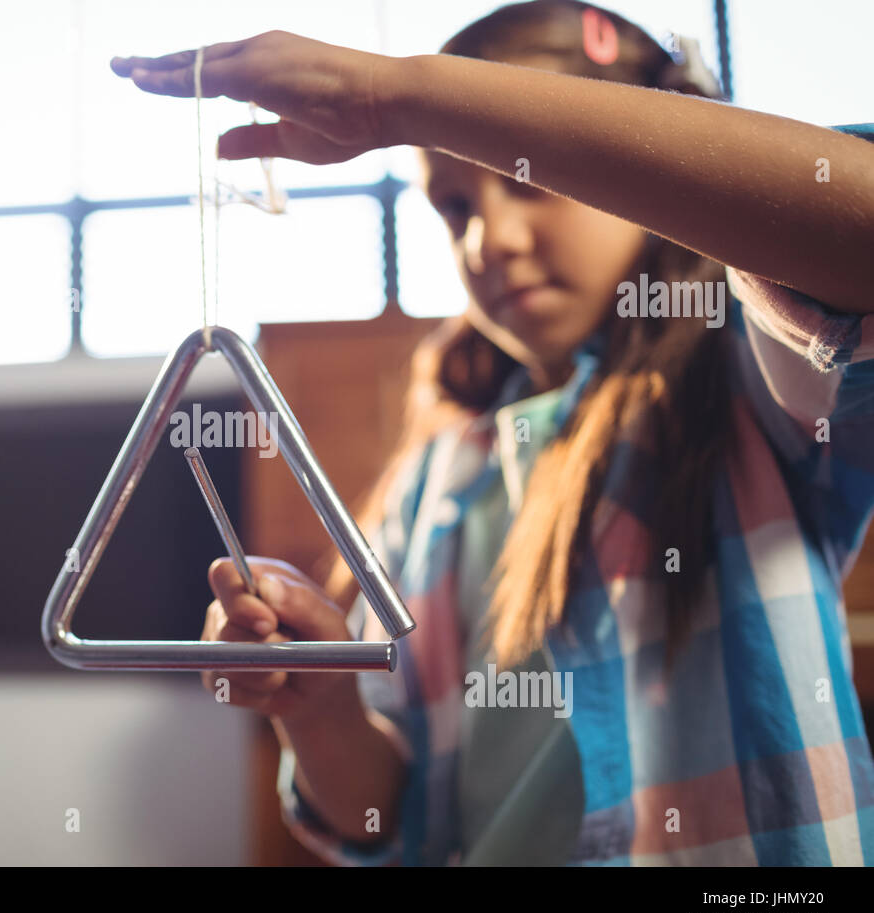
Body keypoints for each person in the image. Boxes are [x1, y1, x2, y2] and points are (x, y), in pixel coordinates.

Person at [111, 0, 874, 865]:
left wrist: (398, 96)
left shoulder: (748, 382)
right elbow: (386, 819)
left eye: (530, 180)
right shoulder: (439, 479)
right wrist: (316, 707)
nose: (489, 239)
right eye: (453, 205)